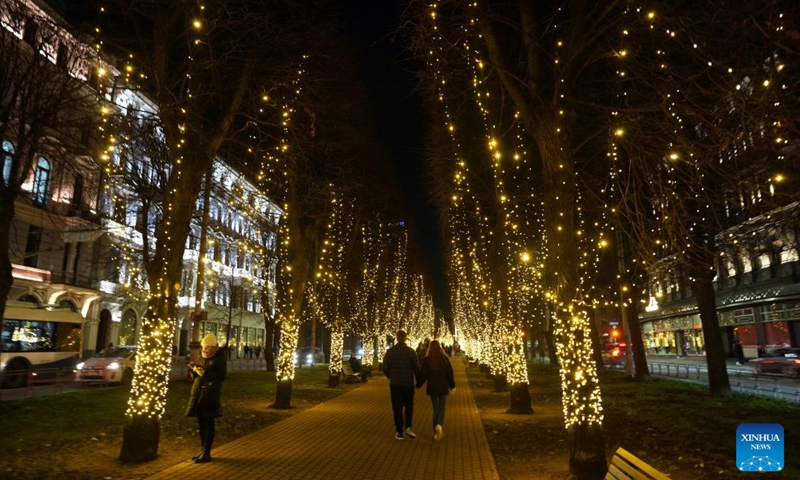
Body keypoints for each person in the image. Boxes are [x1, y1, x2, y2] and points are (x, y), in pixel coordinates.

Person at [186, 333, 227, 463]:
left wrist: (205, 373)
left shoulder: (219, 358)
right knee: (201, 423)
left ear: (214, 347)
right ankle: (202, 450)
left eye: (207, 347)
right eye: (203, 347)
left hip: (210, 395)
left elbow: (221, 376)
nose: (204, 350)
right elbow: (197, 377)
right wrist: (194, 370)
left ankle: (207, 452)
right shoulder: (201, 357)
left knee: (208, 423)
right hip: (198, 393)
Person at [382, 329, 421, 440]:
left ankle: (399, 431)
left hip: (395, 384)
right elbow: (416, 368)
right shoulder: (411, 352)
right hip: (408, 383)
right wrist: (418, 381)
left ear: (397, 337)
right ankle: (408, 427)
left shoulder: (390, 352)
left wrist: (391, 376)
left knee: (397, 408)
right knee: (409, 406)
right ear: (405, 337)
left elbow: (385, 368)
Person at [417, 340, 456, 441]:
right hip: (442, 387)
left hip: (432, 387)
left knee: (435, 407)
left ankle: (435, 431)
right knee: (442, 407)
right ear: (439, 347)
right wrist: (452, 386)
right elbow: (450, 373)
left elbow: (424, 374)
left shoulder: (427, 360)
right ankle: (439, 424)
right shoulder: (444, 359)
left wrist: (418, 384)